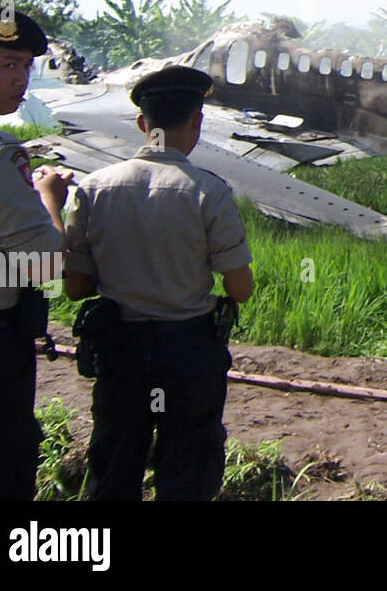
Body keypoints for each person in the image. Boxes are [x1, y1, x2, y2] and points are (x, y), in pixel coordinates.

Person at [64, 65, 254, 501]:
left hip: (120, 349)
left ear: (141, 124)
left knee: (114, 466)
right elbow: (239, 289)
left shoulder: (93, 189)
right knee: (187, 468)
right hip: (188, 353)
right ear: (196, 122)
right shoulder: (210, 192)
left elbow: (75, 288)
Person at [0, 5, 71, 500]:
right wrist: (49, 199)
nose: (21, 79)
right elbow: (45, 265)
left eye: (27, 65)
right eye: (8, 65)